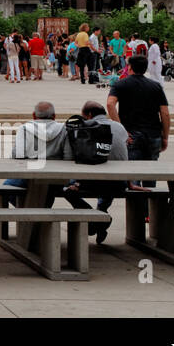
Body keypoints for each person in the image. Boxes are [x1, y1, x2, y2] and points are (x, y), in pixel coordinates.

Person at [62, 101, 130, 243]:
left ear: (89, 115)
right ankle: (101, 214)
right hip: (119, 182)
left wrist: (79, 182)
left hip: (92, 182)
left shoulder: (85, 129)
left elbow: (77, 160)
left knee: (62, 187)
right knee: (110, 178)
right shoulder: (120, 127)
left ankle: (96, 218)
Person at [107, 54, 170, 161]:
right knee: (151, 170)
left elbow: (110, 104)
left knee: (132, 171)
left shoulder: (120, 84)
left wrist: (121, 129)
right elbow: (165, 113)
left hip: (131, 134)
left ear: (130, 67)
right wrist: (165, 137)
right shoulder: (156, 86)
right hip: (153, 134)